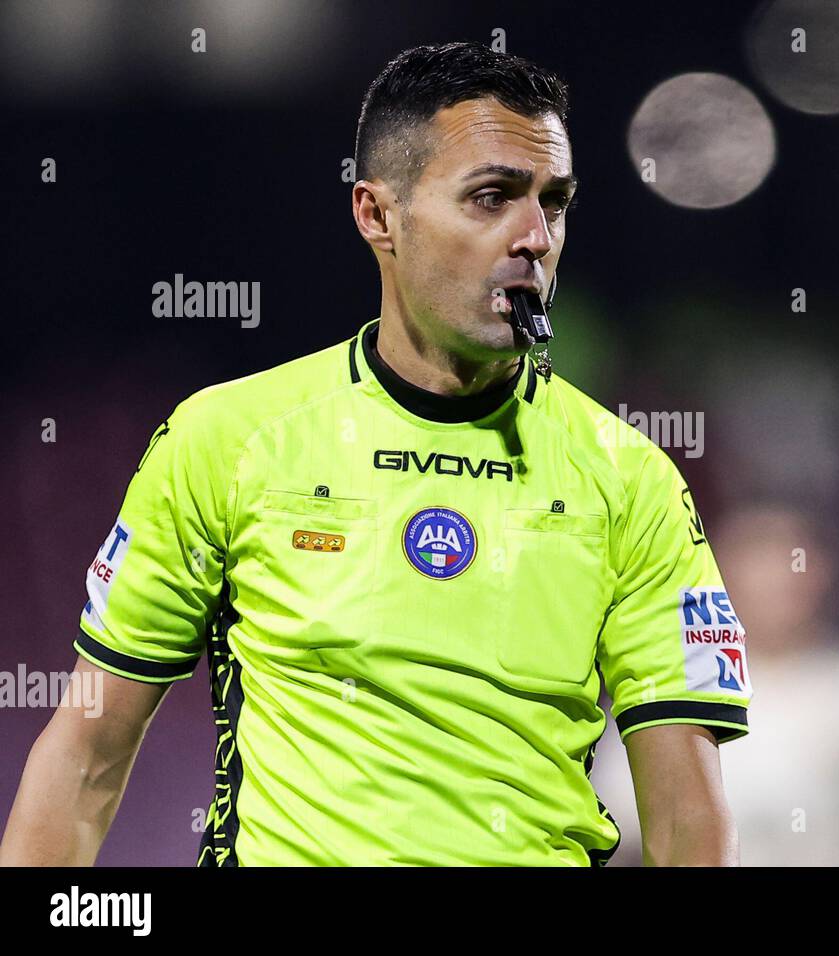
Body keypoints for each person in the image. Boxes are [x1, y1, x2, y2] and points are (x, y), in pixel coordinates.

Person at [0, 42, 752, 867]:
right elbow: (88, 750)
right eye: (493, 196)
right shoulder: (229, 437)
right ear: (377, 216)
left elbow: (687, 819)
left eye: (555, 202)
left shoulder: (630, 477)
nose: (535, 236)